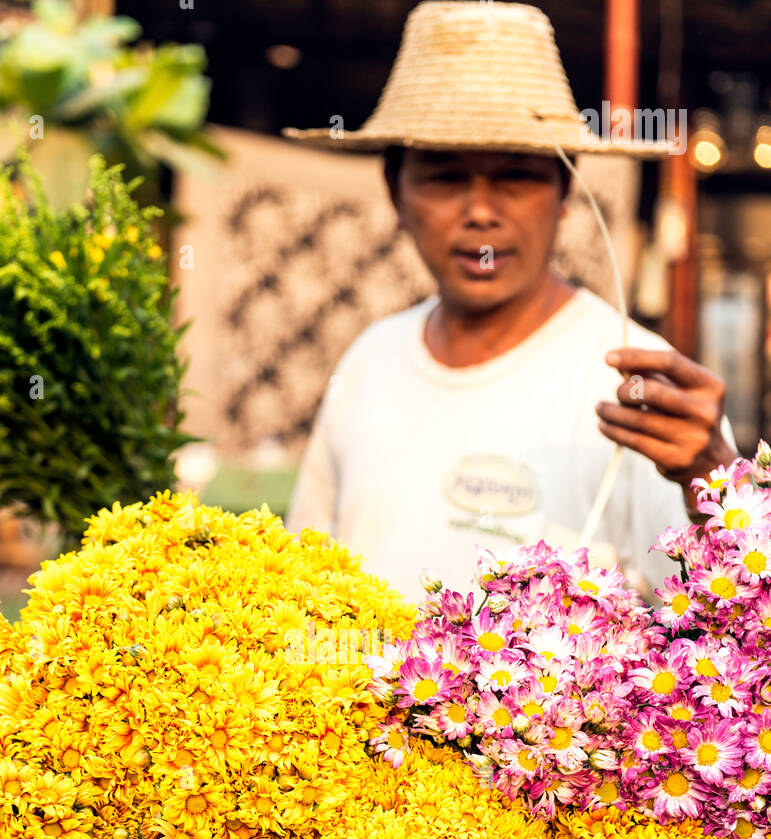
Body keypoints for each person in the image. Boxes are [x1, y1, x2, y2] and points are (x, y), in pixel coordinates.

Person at [281, 1, 737, 603]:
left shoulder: (641, 385)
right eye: (444, 176)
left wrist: (714, 484)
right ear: (395, 190)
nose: (481, 211)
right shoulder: (371, 358)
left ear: (565, 191)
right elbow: (301, 585)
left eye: (517, 176)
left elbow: (726, 627)